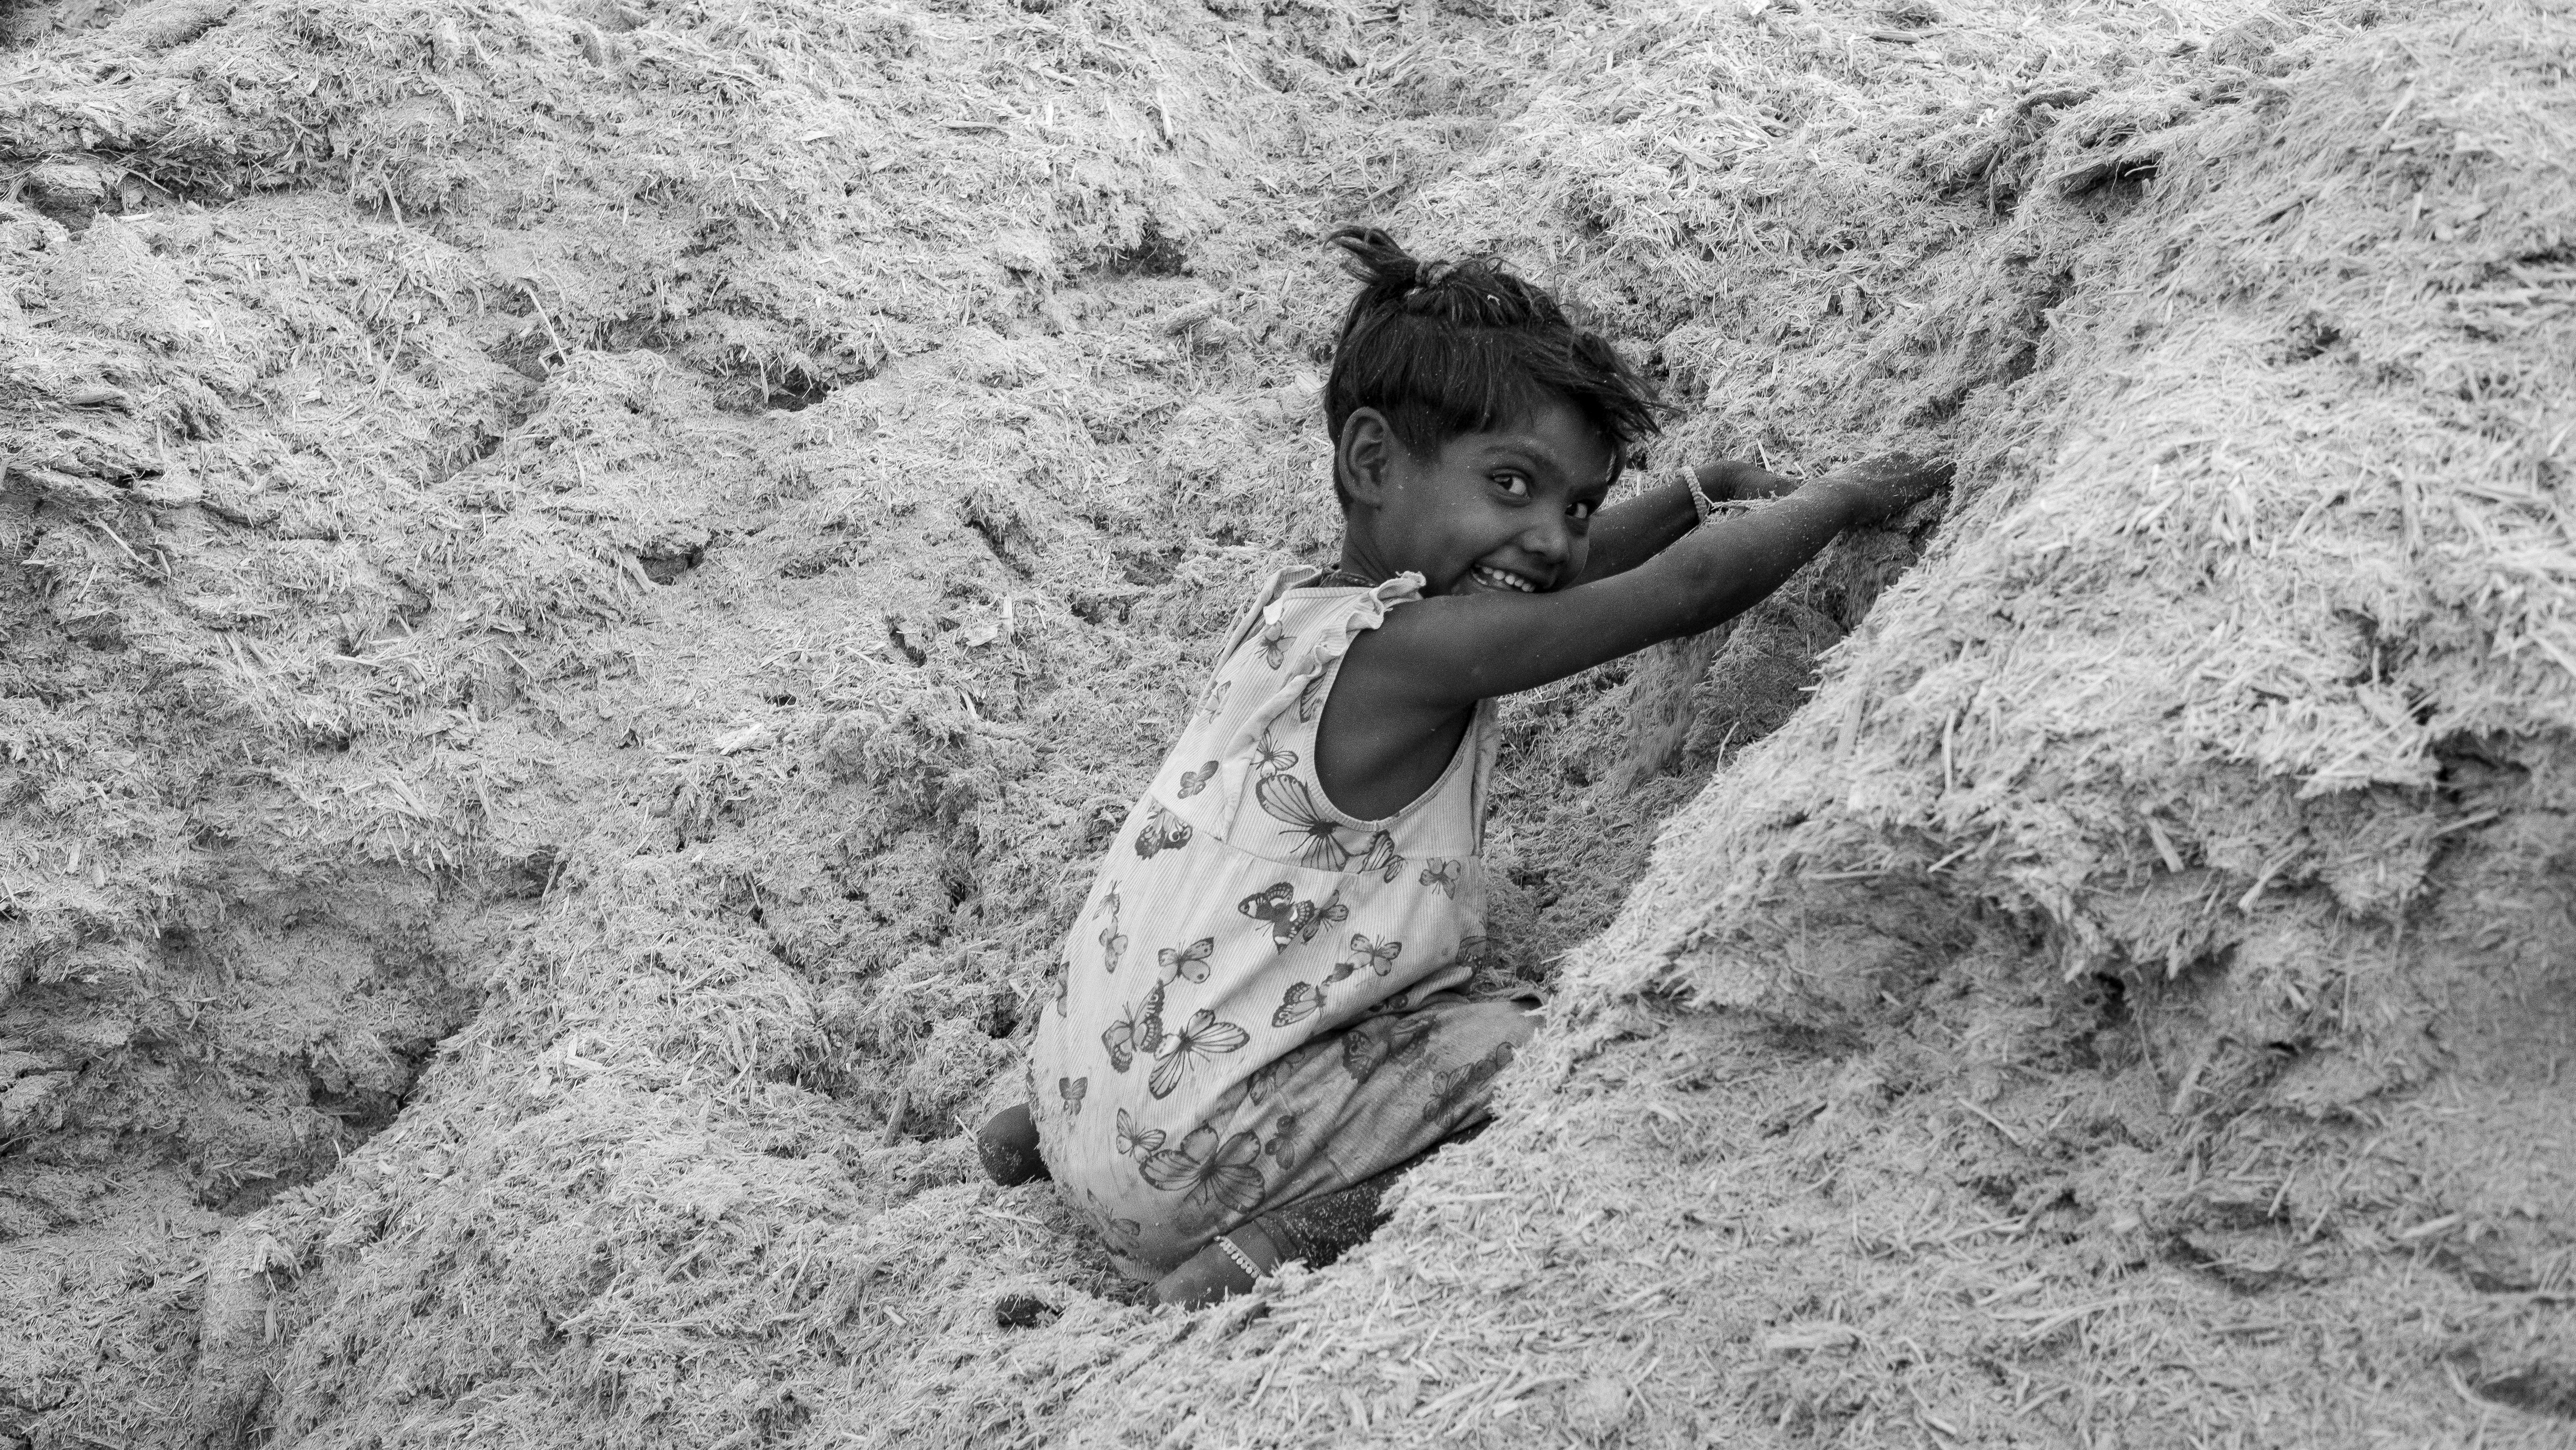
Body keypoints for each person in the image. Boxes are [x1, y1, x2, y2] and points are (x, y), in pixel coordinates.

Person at [979, 227, 1948, 1307]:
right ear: (1373, 462)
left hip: (1084, 1090)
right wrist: (1847, 500)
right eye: (1511, 485)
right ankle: (1260, 1250)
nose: (1551, 538)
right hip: (1197, 1158)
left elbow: (1563, 580)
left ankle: (1044, 1146)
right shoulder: (1413, 656)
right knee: (1553, 1042)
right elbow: (1682, 592)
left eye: (1574, 507)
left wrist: (1691, 489)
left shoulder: (1302, 614)